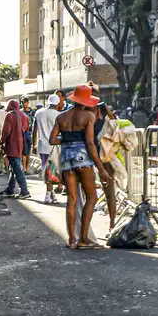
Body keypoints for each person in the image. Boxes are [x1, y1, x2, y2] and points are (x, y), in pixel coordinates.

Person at [50, 84, 111, 249]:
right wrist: (101, 168)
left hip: (66, 159)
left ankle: (71, 240)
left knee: (71, 199)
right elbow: (90, 143)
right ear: (86, 101)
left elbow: (52, 140)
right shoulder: (88, 117)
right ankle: (83, 238)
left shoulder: (61, 117)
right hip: (83, 158)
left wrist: (67, 140)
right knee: (91, 197)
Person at [0, 99, 32, 200]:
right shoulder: (24, 116)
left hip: (12, 145)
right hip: (21, 145)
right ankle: (10, 189)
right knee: (13, 167)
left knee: (17, 168)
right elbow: (26, 129)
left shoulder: (10, 115)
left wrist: (1, 141)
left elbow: (6, 131)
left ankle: (25, 190)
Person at [34, 95, 62, 204]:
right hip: (53, 147)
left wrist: (33, 144)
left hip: (42, 146)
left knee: (47, 170)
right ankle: (47, 195)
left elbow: (34, 129)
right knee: (51, 172)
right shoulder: (59, 115)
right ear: (58, 103)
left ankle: (52, 195)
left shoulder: (39, 113)